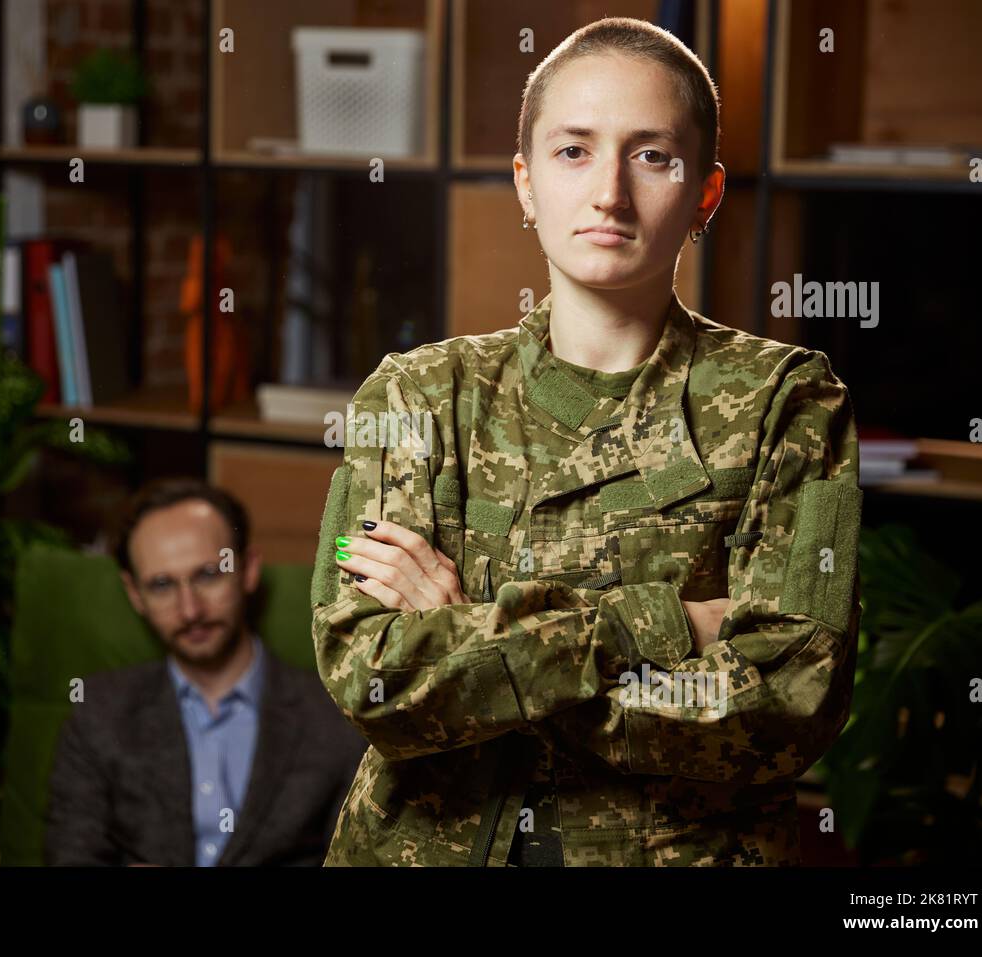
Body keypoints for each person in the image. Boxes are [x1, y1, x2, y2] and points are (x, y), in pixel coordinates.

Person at [311, 17, 862, 866]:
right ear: (527, 185)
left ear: (705, 195)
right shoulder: (416, 395)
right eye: (574, 151)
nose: (609, 191)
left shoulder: (785, 400)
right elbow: (371, 677)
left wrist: (470, 632)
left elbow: (787, 701)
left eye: (651, 155)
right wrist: (663, 624)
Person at [46, 479, 365, 866]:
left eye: (208, 575)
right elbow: (70, 855)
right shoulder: (98, 713)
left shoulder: (335, 715)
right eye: (162, 585)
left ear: (247, 570)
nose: (190, 609)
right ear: (134, 595)